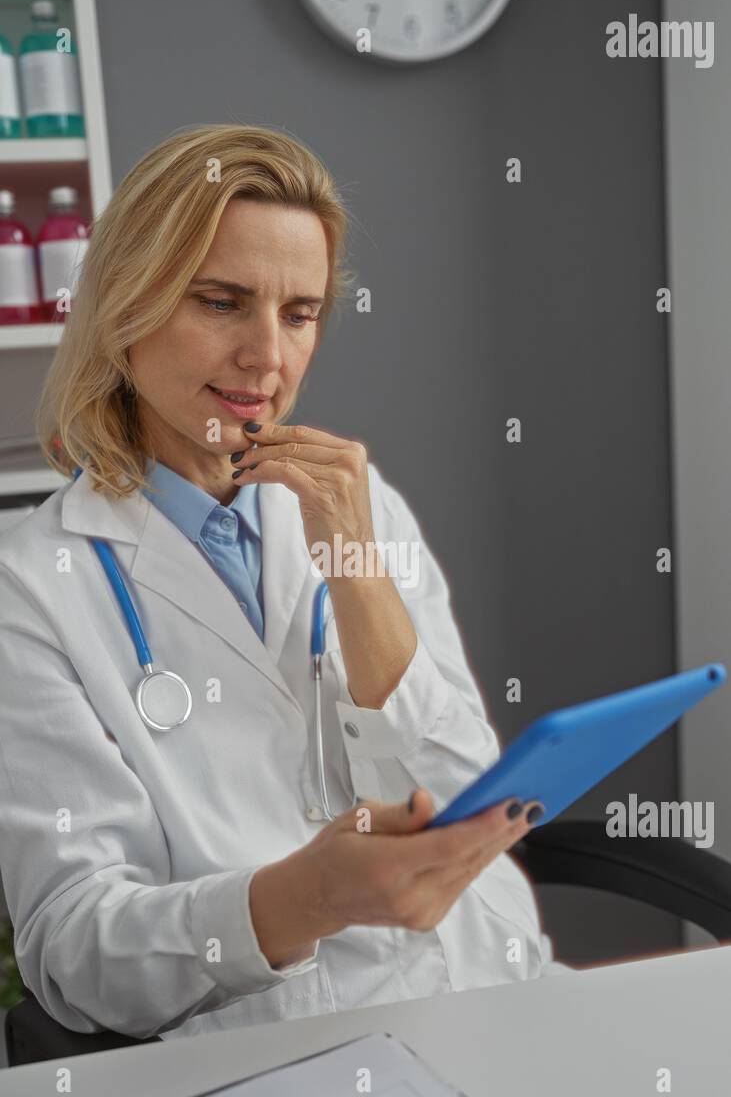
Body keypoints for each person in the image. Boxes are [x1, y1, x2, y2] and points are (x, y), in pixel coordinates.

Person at [0, 124, 565, 1043]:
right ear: (123, 309)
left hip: (493, 987)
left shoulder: (359, 505)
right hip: (273, 1056)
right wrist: (302, 900)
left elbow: (471, 797)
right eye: (222, 302)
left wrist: (356, 566)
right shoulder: (30, 589)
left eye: (299, 314)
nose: (268, 356)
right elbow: (75, 953)